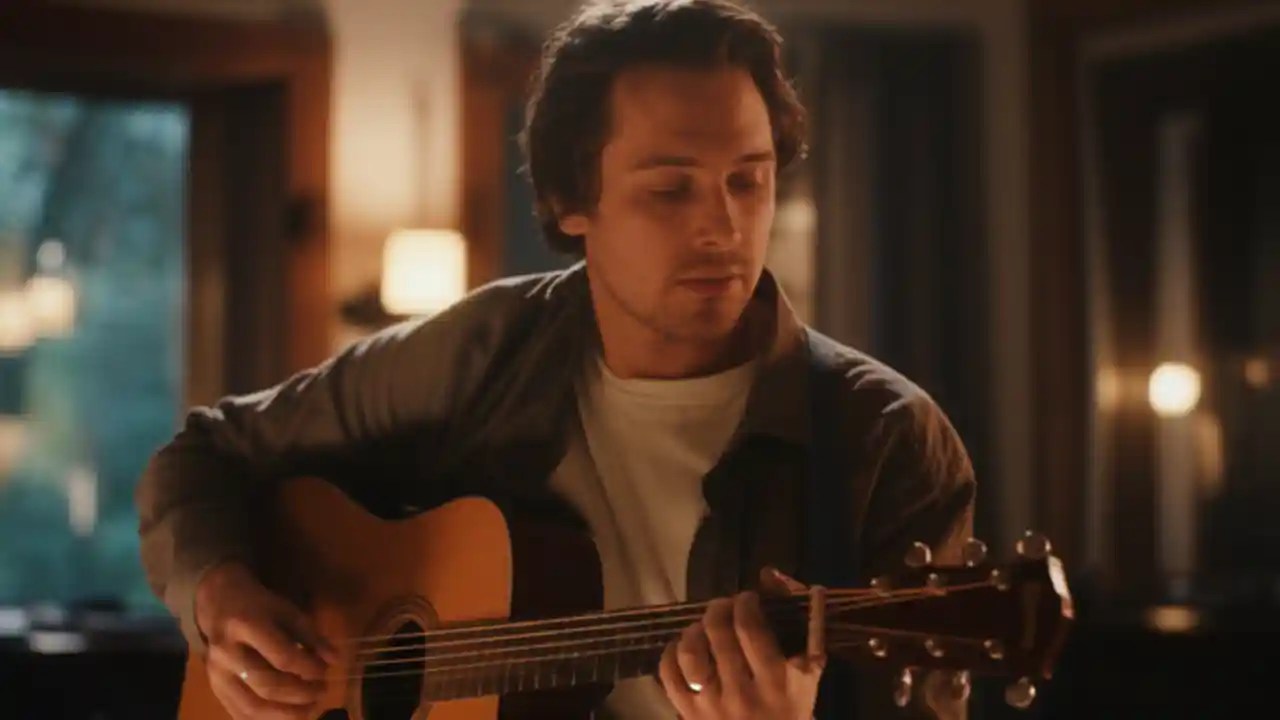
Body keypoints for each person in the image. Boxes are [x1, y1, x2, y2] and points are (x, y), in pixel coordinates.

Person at [134, 1, 977, 718]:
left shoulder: (885, 439)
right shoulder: (482, 353)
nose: (722, 227)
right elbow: (204, 455)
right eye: (670, 188)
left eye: (747, 181)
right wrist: (222, 599)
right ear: (572, 200)